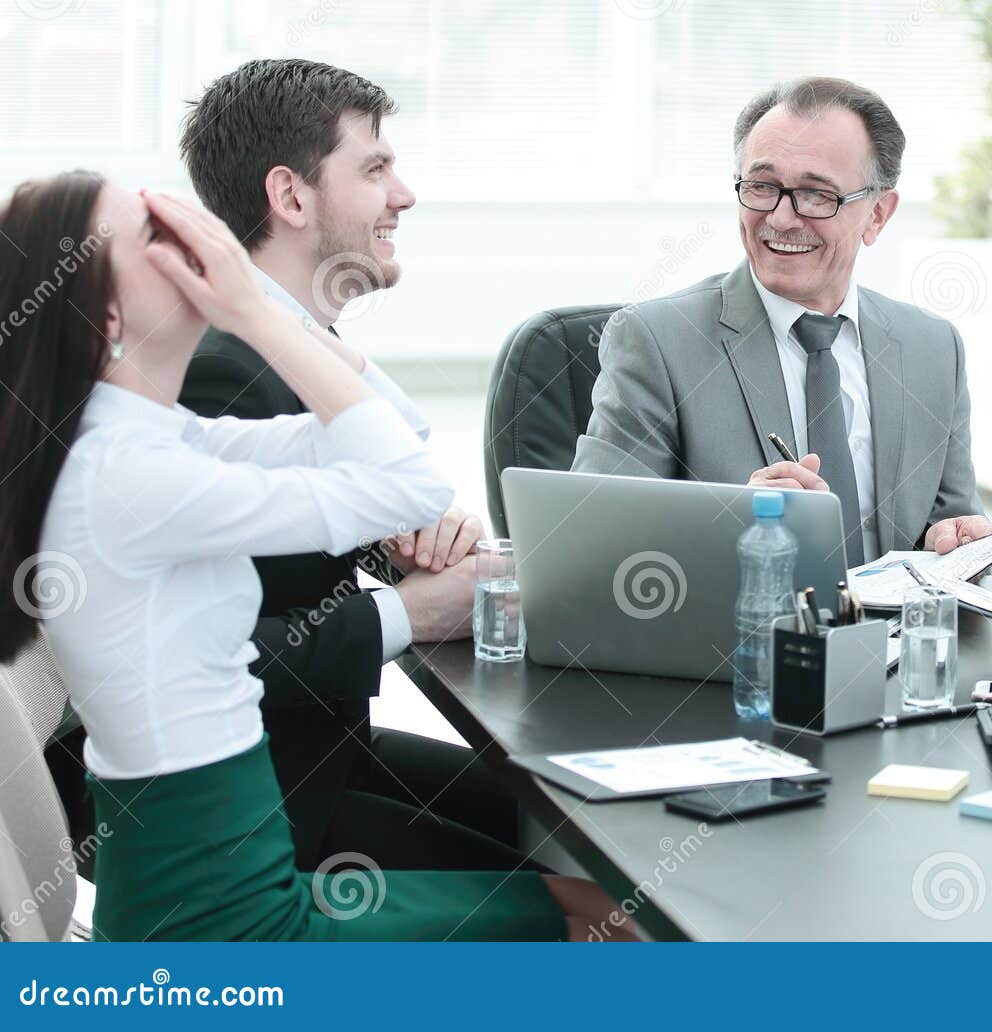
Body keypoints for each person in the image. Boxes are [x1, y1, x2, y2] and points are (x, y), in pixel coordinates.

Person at [0, 172, 626, 939]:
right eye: (160, 238)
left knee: (590, 909)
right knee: (606, 927)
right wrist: (260, 311)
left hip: (223, 876)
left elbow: (389, 442)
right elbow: (407, 482)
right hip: (216, 922)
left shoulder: (152, 439)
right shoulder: (127, 474)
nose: (206, 248)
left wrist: (283, 319)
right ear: (105, 311)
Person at [174, 59, 520, 872]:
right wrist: (414, 613)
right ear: (291, 197)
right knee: (592, 894)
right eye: (375, 168)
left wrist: (401, 537)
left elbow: (274, 548)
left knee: (563, 821)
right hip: (248, 805)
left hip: (308, 756)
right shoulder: (222, 370)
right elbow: (195, 649)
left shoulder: (281, 345)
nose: (404, 194)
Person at [572, 76, 992, 564]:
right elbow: (592, 546)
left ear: (878, 214)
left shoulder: (933, 348)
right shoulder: (656, 342)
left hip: (888, 638)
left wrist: (967, 546)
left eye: (816, 195)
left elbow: (963, 535)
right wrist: (736, 529)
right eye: (762, 186)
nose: (780, 218)